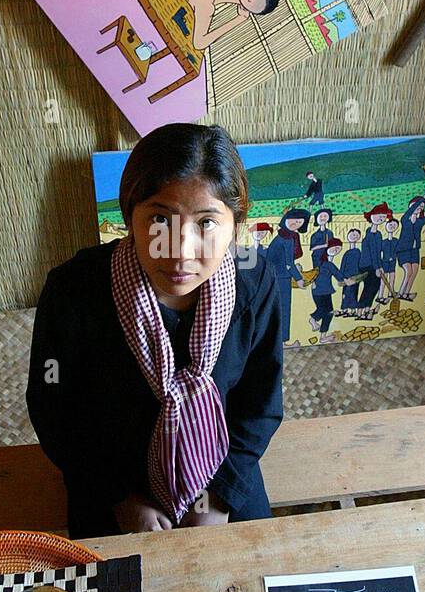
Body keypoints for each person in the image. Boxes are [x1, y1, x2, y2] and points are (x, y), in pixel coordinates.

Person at [27, 123, 283, 537]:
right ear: (130, 215)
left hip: (221, 469)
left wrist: (218, 497)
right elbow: (56, 411)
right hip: (111, 478)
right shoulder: (74, 291)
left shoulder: (257, 284)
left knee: (250, 577)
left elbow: (260, 404)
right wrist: (123, 500)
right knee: (116, 590)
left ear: (235, 225)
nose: (180, 250)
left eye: (206, 223)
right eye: (159, 219)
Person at [266, 208, 309, 343]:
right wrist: (299, 278)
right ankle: (283, 341)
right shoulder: (287, 239)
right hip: (282, 278)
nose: (295, 223)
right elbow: (289, 264)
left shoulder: (281, 236)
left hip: (274, 277)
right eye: (294, 220)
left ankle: (278, 341)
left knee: (277, 309)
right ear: (286, 218)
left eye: (299, 222)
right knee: (284, 309)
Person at [396, 194, 425, 300]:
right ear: (410, 205)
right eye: (417, 205)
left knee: (414, 272)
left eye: (422, 207)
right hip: (403, 250)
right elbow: (412, 209)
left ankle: (406, 293)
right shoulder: (405, 219)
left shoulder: (419, 222)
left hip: (414, 250)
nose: (419, 207)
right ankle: (400, 293)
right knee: (408, 272)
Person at [309, 240, 344, 340]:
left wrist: (345, 280)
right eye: (334, 247)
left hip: (327, 290)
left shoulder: (330, 264)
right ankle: (313, 319)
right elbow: (313, 251)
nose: (336, 250)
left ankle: (323, 336)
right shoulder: (319, 261)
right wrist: (325, 244)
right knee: (325, 310)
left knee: (329, 313)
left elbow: (338, 275)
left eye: (338, 249)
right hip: (318, 290)